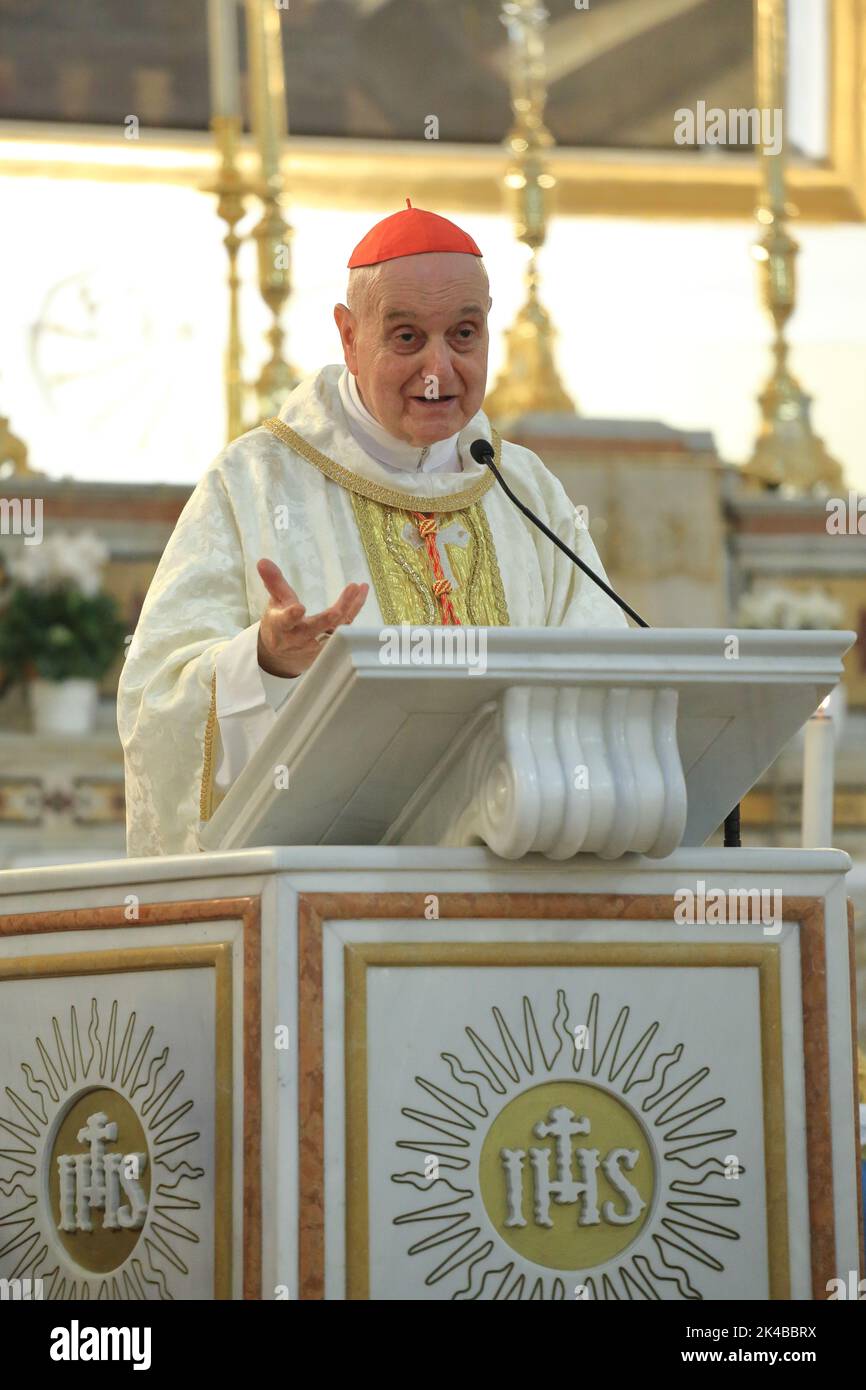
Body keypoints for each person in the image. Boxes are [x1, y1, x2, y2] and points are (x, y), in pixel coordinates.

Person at [117, 203, 627, 856]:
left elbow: (606, 673)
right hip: (329, 897)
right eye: (408, 337)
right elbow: (156, 703)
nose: (439, 370)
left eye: (464, 335)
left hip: (513, 884)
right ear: (348, 335)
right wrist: (264, 662)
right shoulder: (254, 482)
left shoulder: (522, 488)